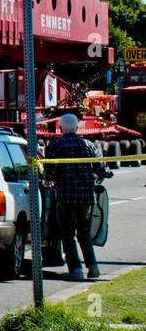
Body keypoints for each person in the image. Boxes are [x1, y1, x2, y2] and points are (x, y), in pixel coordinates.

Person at [42, 113, 106, 281]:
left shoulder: (56, 145)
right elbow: (101, 169)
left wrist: (47, 180)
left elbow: (49, 171)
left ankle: (76, 269)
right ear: (77, 127)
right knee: (83, 232)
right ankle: (93, 266)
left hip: (66, 196)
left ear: (60, 127)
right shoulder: (89, 145)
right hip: (86, 197)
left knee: (68, 234)